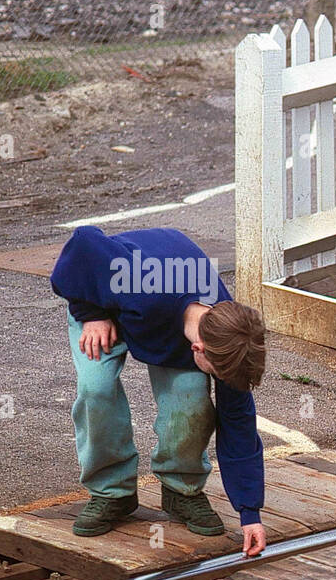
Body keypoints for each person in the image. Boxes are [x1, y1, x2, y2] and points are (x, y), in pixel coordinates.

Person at [50, 225, 268, 558]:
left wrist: (249, 512)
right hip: (103, 301)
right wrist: (90, 312)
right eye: (217, 373)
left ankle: (182, 489)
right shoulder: (142, 285)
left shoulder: (229, 335)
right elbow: (83, 243)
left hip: (160, 315)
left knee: (192, 398)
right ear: (198, 348)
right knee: (97, 390)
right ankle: (112, 493)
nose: (220, 381)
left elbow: (238, 420)